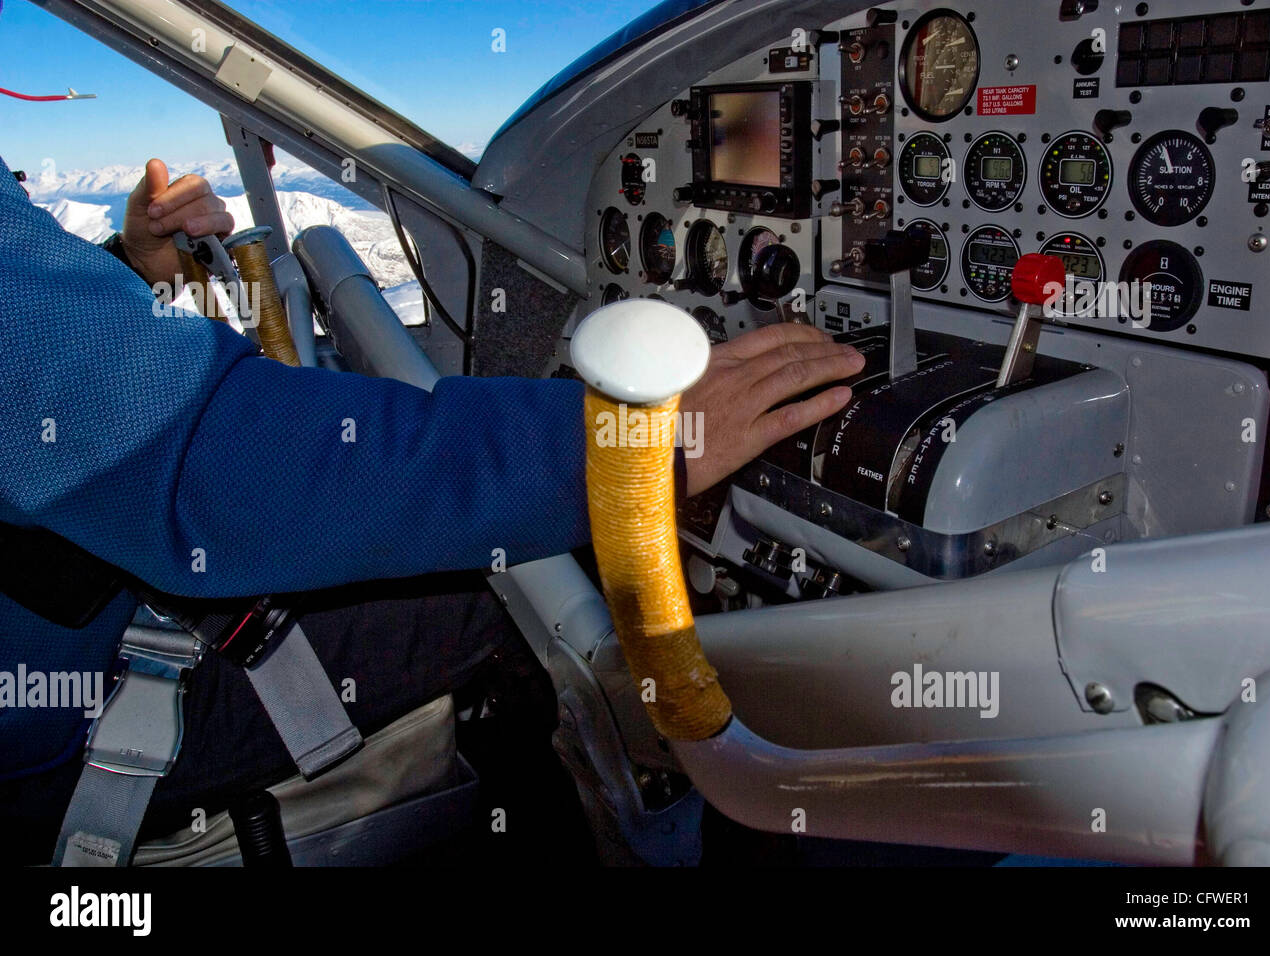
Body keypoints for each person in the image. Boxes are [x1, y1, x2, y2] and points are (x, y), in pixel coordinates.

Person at [0, 152, 865, 863]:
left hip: (70, 625)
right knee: (493, 605)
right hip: (77, 709)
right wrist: (625, 446)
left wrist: (133, 274)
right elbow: (218, 465)